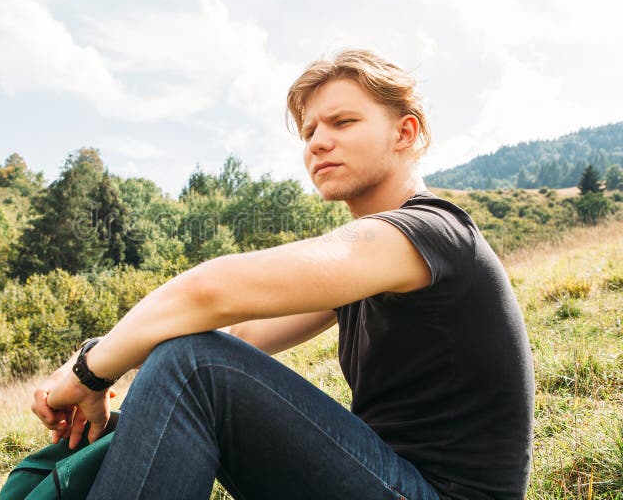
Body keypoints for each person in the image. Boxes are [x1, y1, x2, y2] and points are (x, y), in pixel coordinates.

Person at [31, 49, 535, 499]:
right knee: (181, 357)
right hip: (391, 478)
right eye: (310, 131)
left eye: (342, 122)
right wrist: (108, 370)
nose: (318, 142)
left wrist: (89, 370)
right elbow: (234, 334)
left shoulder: (429, 231)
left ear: (404, 132)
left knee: (194, 368)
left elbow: (208, 295)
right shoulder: (368, 272)